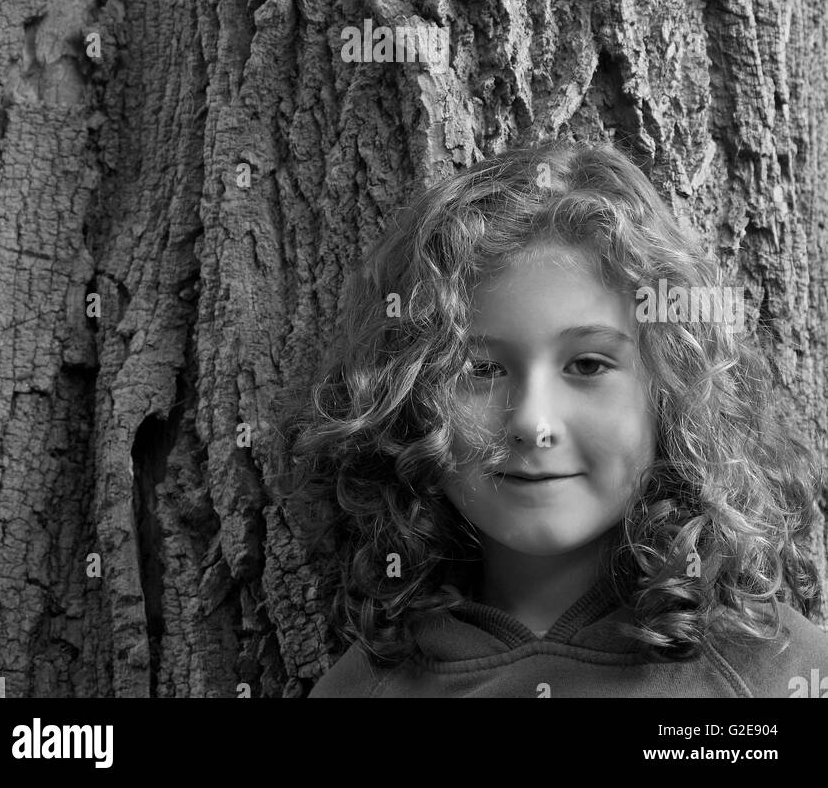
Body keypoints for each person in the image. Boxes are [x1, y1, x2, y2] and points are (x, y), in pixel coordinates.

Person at [274, 138, 828, 697]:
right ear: (410, 399)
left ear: (673, 391)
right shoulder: (359, 690)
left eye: (588, 365)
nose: (534, 423)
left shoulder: (780, 676)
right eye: (482, 370)